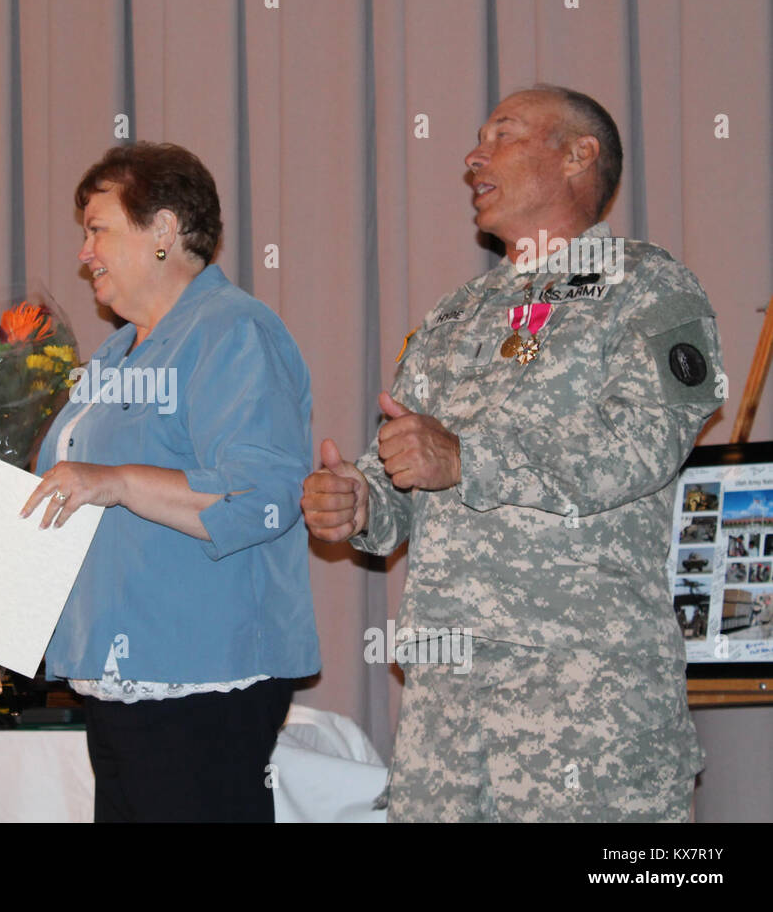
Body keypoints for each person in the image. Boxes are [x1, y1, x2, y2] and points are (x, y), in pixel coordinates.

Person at [302, 85, 724, 822]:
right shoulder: (454, 317)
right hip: (448, 722)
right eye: (477, 139)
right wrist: (362, 499)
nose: (474, 157)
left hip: (584, 712)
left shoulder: (648, 286)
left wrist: (469, 458)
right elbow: (406, 472)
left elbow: (641, 443)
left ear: (577, 155)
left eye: (503, 134)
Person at [21, 142, 320, 822]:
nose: (83, 252)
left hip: (201, 677)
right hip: (120, 670)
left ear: (162, 230)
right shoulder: (119, 348)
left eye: (97, 228)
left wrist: (118, 480)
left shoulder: (232, 332)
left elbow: (263, 499)